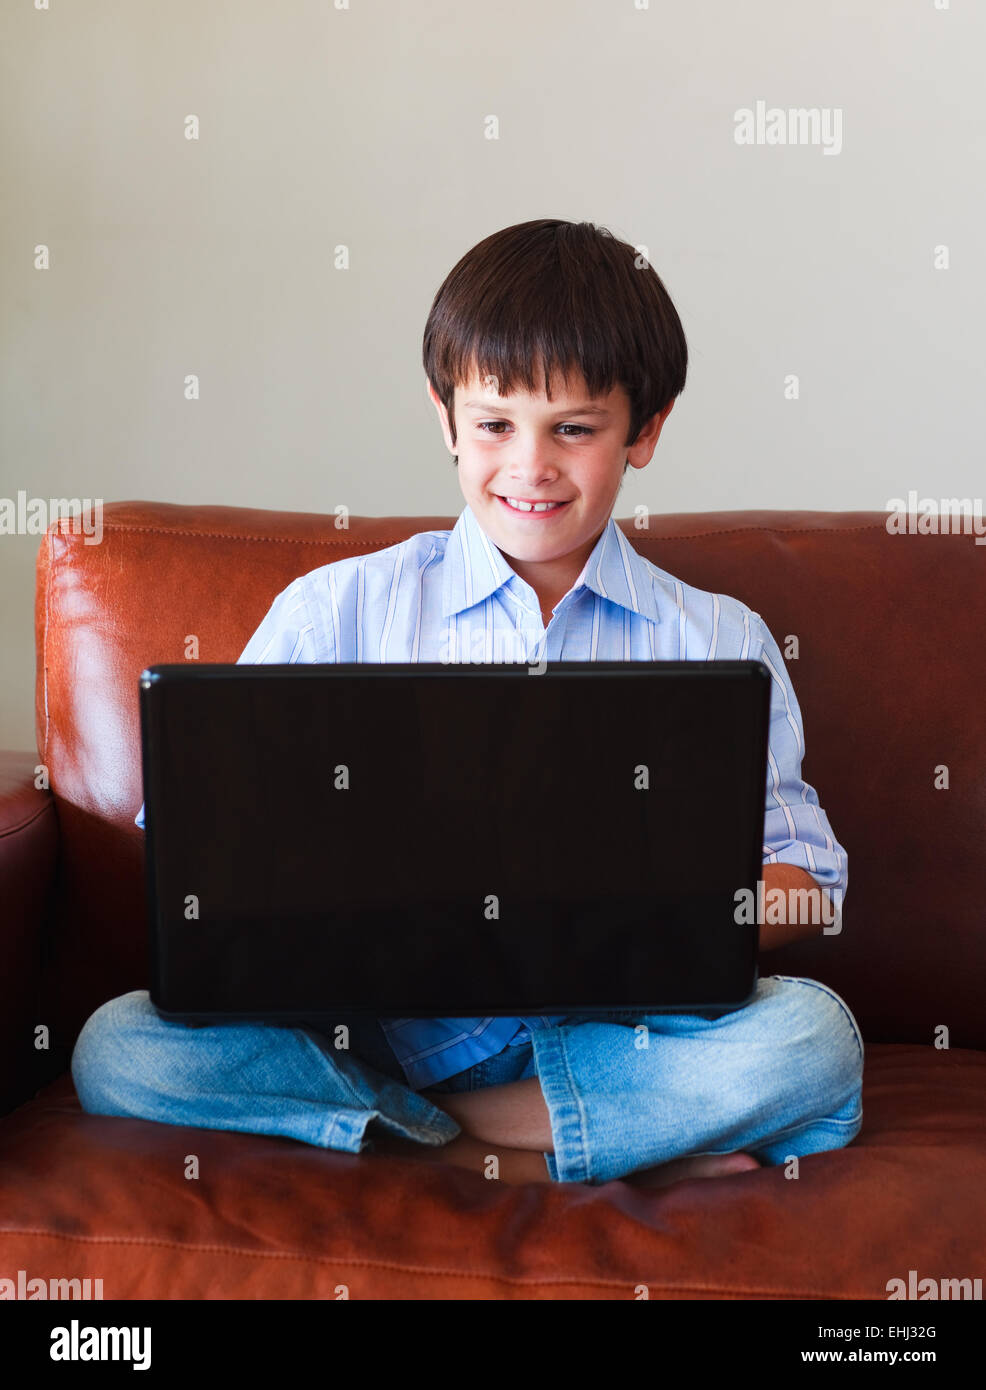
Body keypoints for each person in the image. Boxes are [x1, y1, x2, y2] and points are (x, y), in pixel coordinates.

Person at [71, 219, 863, 1188]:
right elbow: (189, 854)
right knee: (119, 1045)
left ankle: (439, 1135)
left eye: (573, 428)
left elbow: (805, 883)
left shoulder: (719, 636)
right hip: (378, 1032)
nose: (529, 466)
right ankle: (546, 1145)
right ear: (446, 419)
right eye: (494, 424)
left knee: (813, 1041)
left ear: (643, 430)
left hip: (619, 1033)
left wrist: (638, 912)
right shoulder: (335, 611)